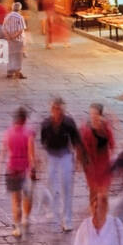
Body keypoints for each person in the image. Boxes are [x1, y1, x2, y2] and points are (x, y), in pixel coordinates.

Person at [39, 97, 80, 232]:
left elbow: (76, 142)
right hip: (51, 156)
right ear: (52, 110)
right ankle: (56, 218)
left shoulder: (69, 123)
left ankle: (67, 219)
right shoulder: (46, 124)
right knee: (53, 189)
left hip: (65, 155)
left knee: (67, 187)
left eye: (60, 109)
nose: (58, 112)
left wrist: (77, 160)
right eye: (55, 109)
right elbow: (43, 142)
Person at [2, 107, 35, 238]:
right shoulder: (29, 133)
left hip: (12, 169)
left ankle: (17, 227)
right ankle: (26, 218)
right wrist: (33, 168)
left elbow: (5, 151)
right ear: (25, 119)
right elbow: (31, 153)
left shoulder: (8, 133)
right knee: (27, 196)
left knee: (15, 200)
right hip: (25, 171)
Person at [79, 103, 115, 196]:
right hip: (91, 162)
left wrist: (113, 150)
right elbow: (81, 146)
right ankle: (93, 207)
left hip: (103, 161)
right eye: (91, 113)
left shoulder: (106, 126)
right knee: (93, 188)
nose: (93, 116)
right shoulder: (85, 128)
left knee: (104, 189)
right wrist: (80, 160)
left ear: (100, 115)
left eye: (95, 114)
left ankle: (102, 205)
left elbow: (111, 142)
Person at [3, 2, 27, 80]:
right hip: (18, 40)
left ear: (12, 8)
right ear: (20, 9)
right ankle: (17, 72)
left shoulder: (7, 16)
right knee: (18, 57)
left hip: (9, 40)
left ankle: (9, 72)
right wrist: (14, 36)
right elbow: (21, 30)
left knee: (10, 56)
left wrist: (8, 37)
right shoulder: (20, 17)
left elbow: (3, 28)